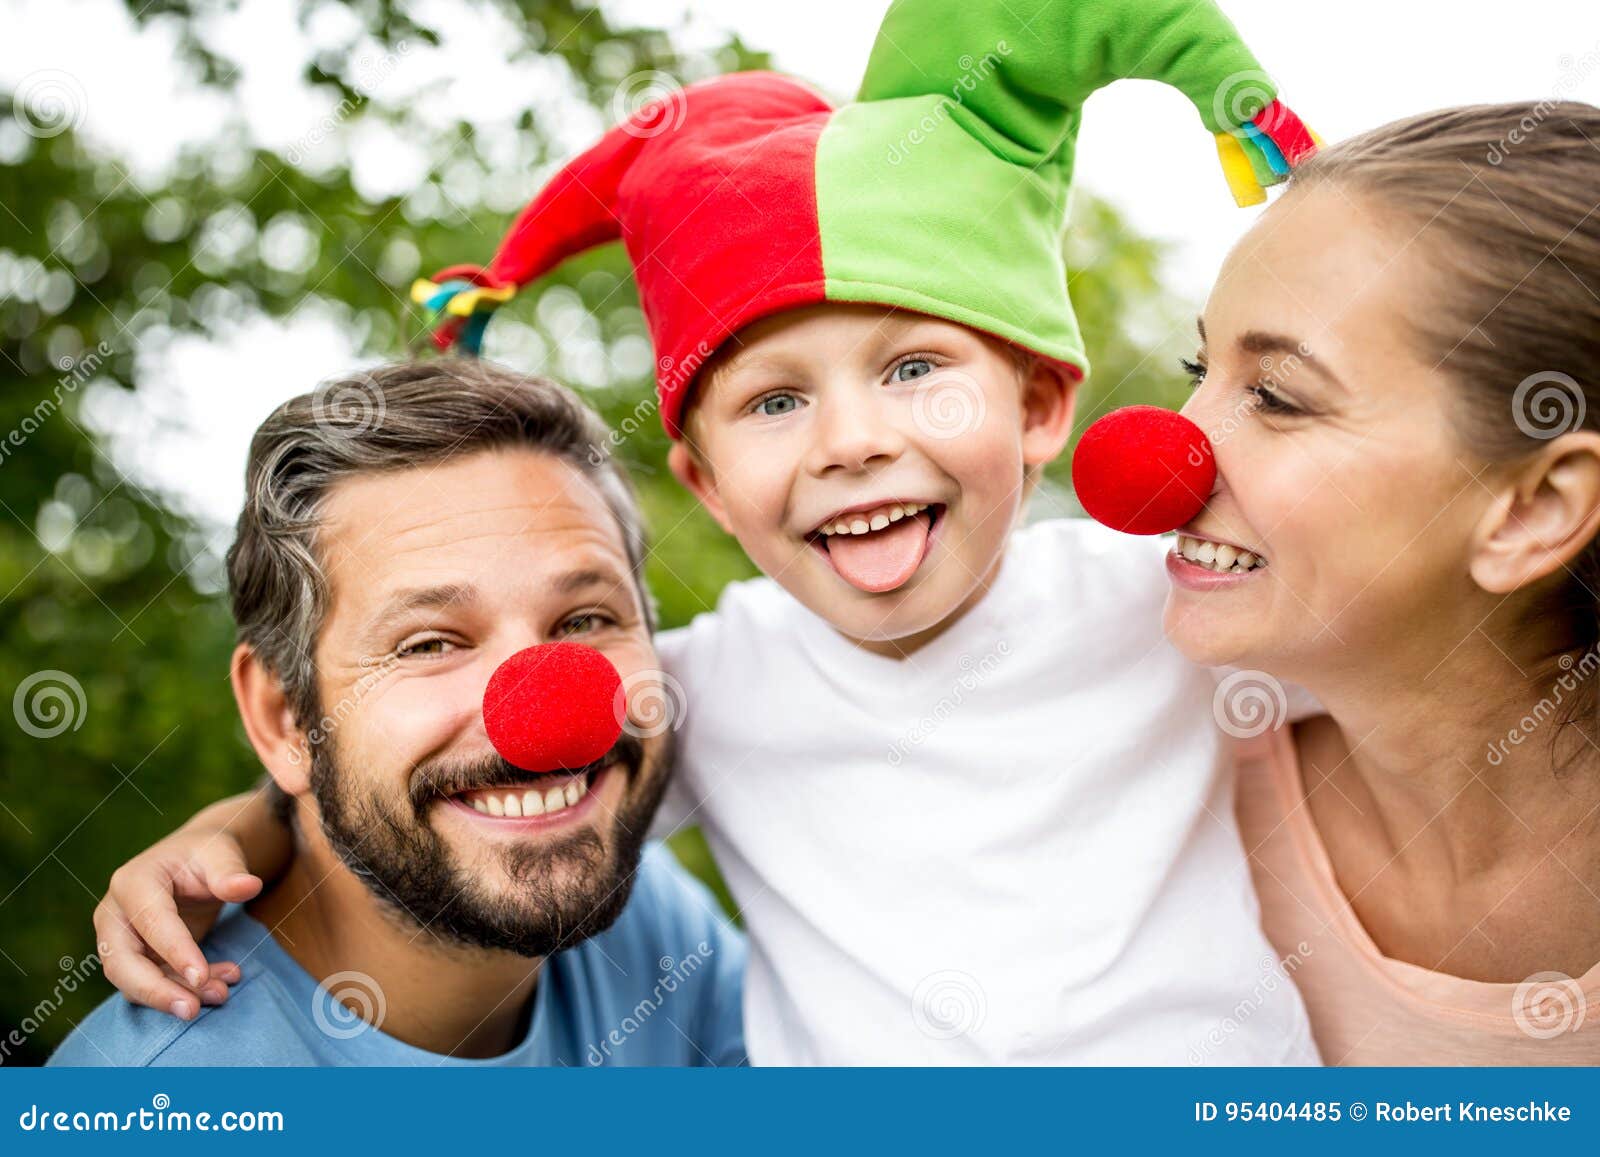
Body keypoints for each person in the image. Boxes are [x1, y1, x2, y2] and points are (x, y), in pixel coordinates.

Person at [85, 0, 1322, 1063]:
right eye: (777, 402)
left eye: (913, 370)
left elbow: (1434, 661)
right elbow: (438, 759)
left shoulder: (1181, 603)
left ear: (1043, 402)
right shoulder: (704, 689)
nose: (848, 442)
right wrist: (230, 834)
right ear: (711, 485)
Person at [52, 360, 746, 1066]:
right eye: (429, 642)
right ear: (284, 717)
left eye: (585, 619)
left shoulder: (655, 928)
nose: (543, 718)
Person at [1171, 102, 1600, 1063]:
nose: (1166, 455)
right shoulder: (1163, 804)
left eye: (1275, 397)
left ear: (1534, 509)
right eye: (1194, 366)